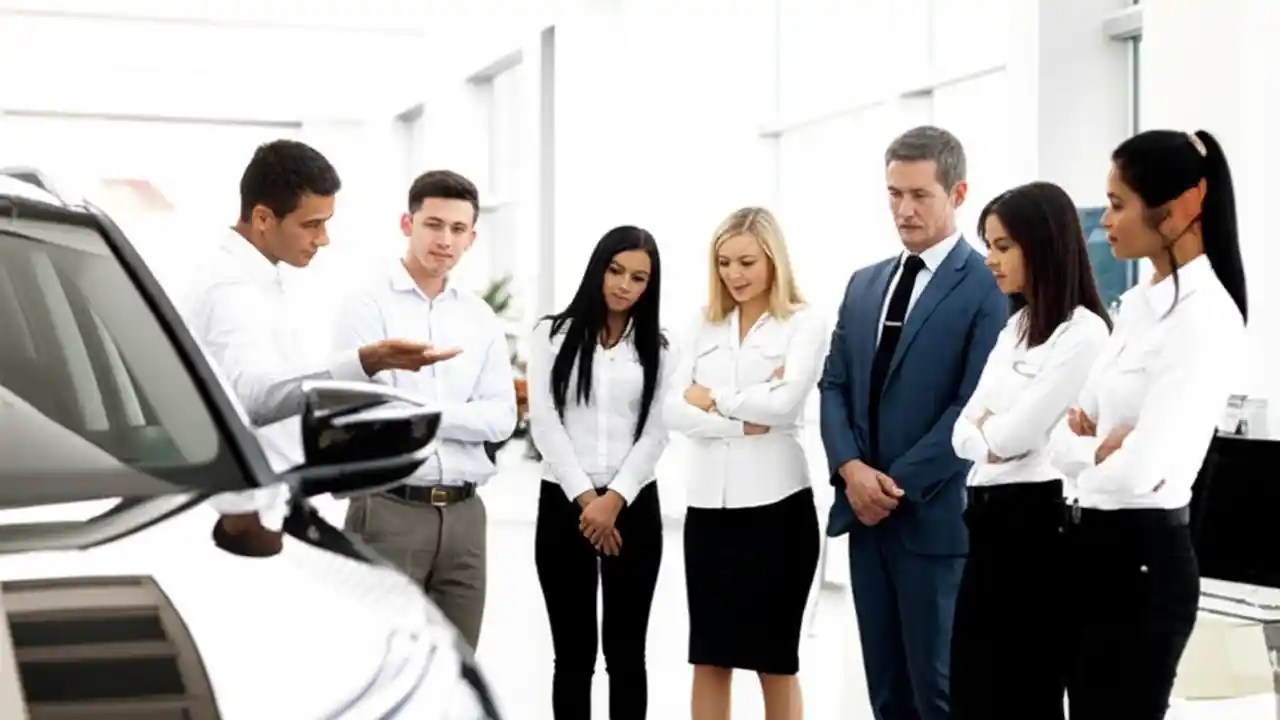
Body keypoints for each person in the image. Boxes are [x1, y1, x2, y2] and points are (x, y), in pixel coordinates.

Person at [1047, 129, 1248, 719]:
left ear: (1180, 207)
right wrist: (1093, 451)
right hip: (1086, 547)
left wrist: (1089, 451)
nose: (1104, 221)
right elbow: (1062, 433)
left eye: (1117, 204)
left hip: (1141, 563)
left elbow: (1144, 470)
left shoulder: (1204, 317)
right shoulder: (1136, 306)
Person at [182, 140, 452, 557]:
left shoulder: (257, 277)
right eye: (311, 224)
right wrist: (367, 360)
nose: (323, 239)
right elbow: (253, 397)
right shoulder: (230, 288)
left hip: (259, 506)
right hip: (237, 518)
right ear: (262, 218)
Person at [817, 125, 1007, 720]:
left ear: (958, 192)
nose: (904, 209)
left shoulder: (987, 286)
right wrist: (851, 470)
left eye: (920, 195)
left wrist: (890, 486)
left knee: (939, 692)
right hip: (865, 517)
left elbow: (972, 405)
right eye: (894, 193)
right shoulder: (864, 283)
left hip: (931, 518)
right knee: (886, 692)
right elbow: (834, 385)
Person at [331, 169, 517, 651]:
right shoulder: (366, 306)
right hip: (389, 509)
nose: (445, 239)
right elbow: (369, 414)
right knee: (381, 663)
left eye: (458, 229)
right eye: (434, 224)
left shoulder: (479, 317)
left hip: (465, 518)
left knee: (457, 671)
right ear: (406, 224)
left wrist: (424, 414)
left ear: (472, 238)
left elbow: (502, 417)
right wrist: (458, 415)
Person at [947, 181, 1112, 719]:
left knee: (1023, 689)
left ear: (1041, 245)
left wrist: (991, 435)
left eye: (1002, 247)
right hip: (987, 523)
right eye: (989, 245)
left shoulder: (1083, 333)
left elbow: (1017, 436)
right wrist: (990, 437)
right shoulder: (1016, 326)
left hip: (1035, 525)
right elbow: (962, 431)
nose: (990, 260)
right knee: (973, 688)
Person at [664, 207, 825, 720]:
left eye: (747, 262)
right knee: (709, 658)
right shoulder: (700, 323)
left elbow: (785, 406)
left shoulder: (804, 323)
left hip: (778, 512)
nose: (735, 274)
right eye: (725, 262)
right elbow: (671, 408)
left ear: (773, 260)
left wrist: (709, 396)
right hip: (709, 513)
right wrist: (741, 414)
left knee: (774, 660)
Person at [527, 226, 671, 720]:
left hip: (633, 506)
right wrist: (589, 500)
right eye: (616, 270)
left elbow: (655, 433)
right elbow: (544, 423)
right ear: (598, 268)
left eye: (638, 277)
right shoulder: (551, 335)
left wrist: (615, 500)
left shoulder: (660, 348)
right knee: (572, 656)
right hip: (564, 504)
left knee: (627, 656)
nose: (624, 285)